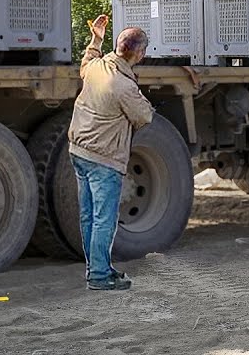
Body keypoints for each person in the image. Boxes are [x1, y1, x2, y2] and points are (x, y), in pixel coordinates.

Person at [68, 15, 155, 291]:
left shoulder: (96, 67)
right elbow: (144, 116)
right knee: (104, 219)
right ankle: (99, 276)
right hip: (103, 158)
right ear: (139, 54)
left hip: (79, 151)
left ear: (118, 46)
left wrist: (96, 38)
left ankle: (96, 268)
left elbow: (84, 64)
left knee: (88, 215)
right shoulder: (124, 86)